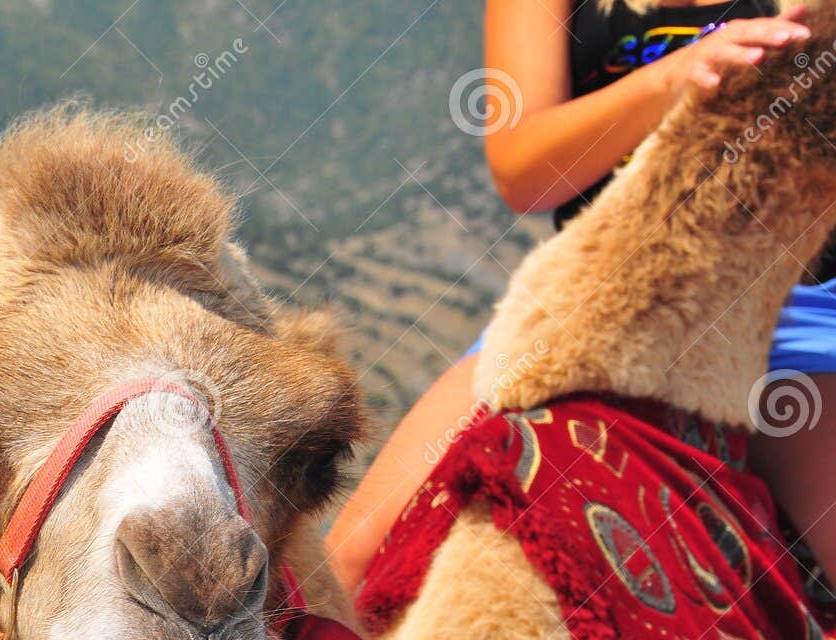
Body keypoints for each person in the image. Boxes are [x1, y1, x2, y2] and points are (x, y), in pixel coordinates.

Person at [327, 0, 836, 593]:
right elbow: (523, 170)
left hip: (787, 303)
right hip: (592, 303)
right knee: (352, 559)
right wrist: (675, 77)